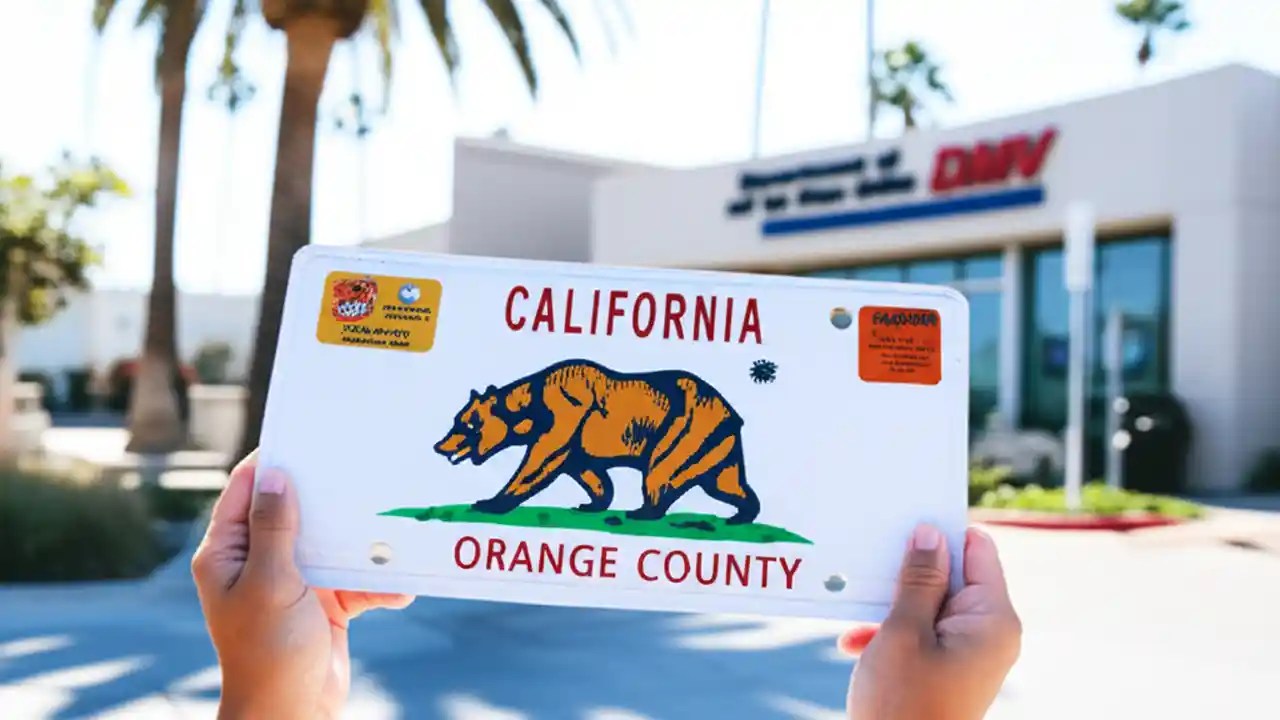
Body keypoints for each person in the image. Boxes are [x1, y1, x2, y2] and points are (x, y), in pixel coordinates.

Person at [193, 452, 1021, 719]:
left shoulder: (558, 404)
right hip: (672, 420)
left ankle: (672, 502)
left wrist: (268, 696)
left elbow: (548, 456)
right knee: (694, 489)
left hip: (674, 420)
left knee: (670, 487)